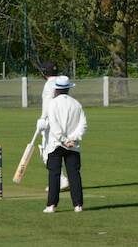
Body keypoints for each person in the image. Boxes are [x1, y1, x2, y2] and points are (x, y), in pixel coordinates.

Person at [43, 77, 87, 213]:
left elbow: (54, 124)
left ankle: (52, 205)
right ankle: (78, 205)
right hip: (73, 145)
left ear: (57, 89)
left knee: (54, 174)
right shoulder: (77, 104)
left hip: (56, 144)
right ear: (68, 88)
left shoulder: (53, 104)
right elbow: (83, 125)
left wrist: (63, 139)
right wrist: (72, 138)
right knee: (74, 174)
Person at [36, 60, 69, 192]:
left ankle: (60, 180)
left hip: (51, 121)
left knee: (48, 152)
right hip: (65, 120)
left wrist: (43, 119)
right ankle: (61, 179)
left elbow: (48, 103)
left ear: (44, 72)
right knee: (61, 149)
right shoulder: (62, 82)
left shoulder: (49, 84)